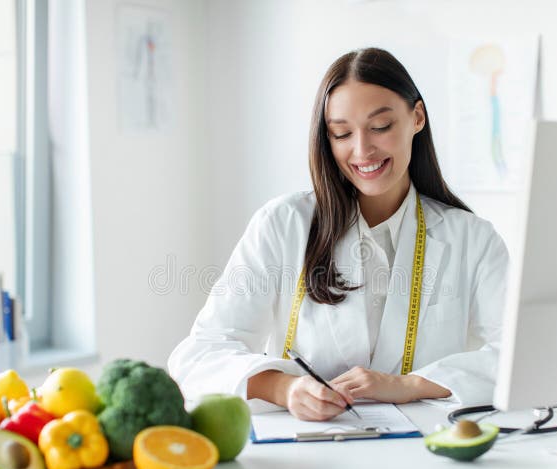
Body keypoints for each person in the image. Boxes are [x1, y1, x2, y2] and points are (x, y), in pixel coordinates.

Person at [169, 47, 508, 421]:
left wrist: (413, 385)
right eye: (341, 133)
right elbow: (200, 354)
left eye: (380, 127)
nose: (362, 150)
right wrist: (286, 388)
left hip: (427, 455)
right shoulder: (284, 224)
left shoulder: (472, 239)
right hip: (310, 457)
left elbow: (521, 355)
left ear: (417, 117)